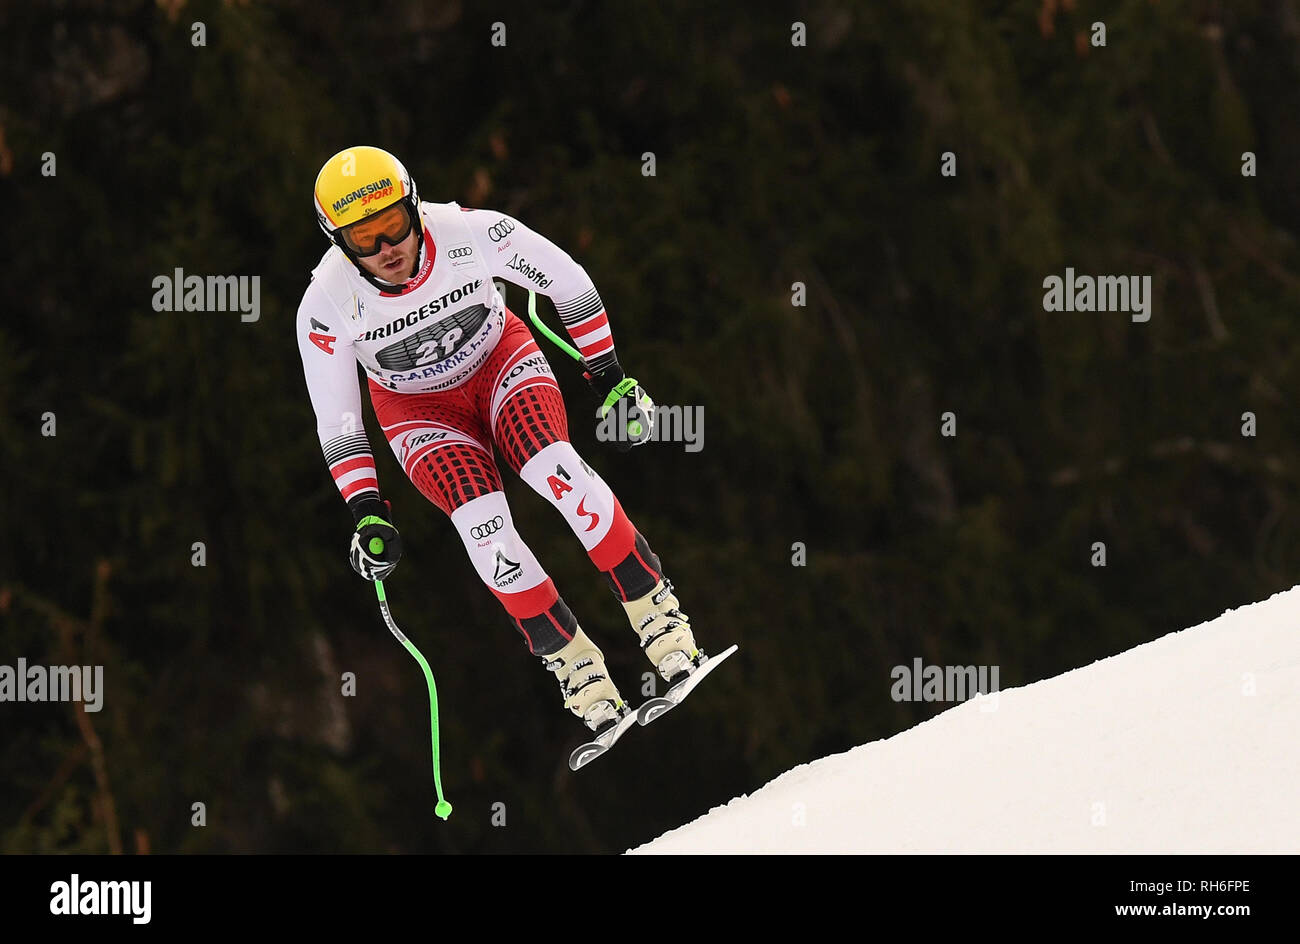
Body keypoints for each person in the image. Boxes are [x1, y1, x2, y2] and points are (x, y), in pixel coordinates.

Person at [297, 145, 702, 736]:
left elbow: (568, 281)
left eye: (393, 227)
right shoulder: (325, 303)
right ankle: (577, 669)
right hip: (419, 411)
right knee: (484, 530)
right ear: (338, 242)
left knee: (556, 471)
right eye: (364, 239)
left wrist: (609, 376)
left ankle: (659, 619)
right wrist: (365, 512)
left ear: (414, 209)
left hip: (499, 365)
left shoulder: (466, 230)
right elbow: (339, 423)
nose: (387, 250)